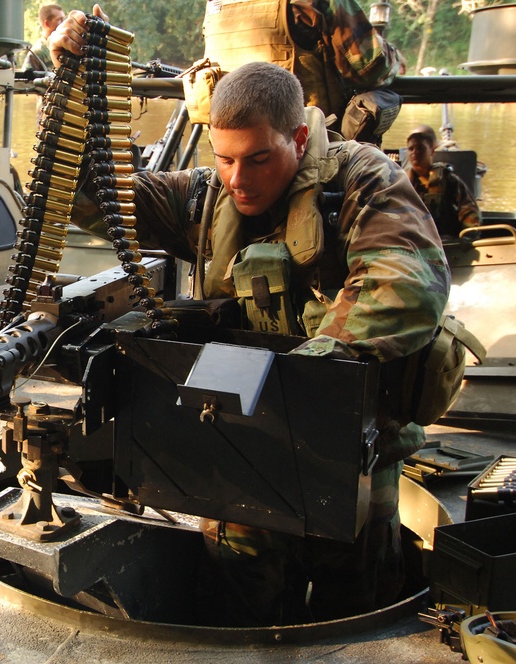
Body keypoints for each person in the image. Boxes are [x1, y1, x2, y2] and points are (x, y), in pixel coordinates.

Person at [51, 8, 448, 624]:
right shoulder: (210, 193)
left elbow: (406, 289)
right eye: (226, 158)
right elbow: (89, 197)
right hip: (241, 451)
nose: (239, 178)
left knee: (353, 618)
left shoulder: (365, 179)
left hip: (348, 453)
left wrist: (299, 378)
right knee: (236, 611)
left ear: (296, 138)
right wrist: (73, 80)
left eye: (259, 159)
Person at [190, 0, 405, 144]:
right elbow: (371, 66)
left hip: (231, 155)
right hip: (306, 148)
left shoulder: (215, 5)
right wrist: (396, 60)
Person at [405, 124, 481, 240]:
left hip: (445, 241)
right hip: (413, 242)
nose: (415, 152)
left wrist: (468, 234)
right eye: (411, 149)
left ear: (431, 151)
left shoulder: (448, 180)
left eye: (420, 148)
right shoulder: (401, 182)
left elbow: (468, 208)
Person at [21, 4, 65, 73]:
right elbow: (25, 80)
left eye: (64, 19)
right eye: (59, 20)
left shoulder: (67, 47)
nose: (64, 23)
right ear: (47, 24)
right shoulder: (37, 52)